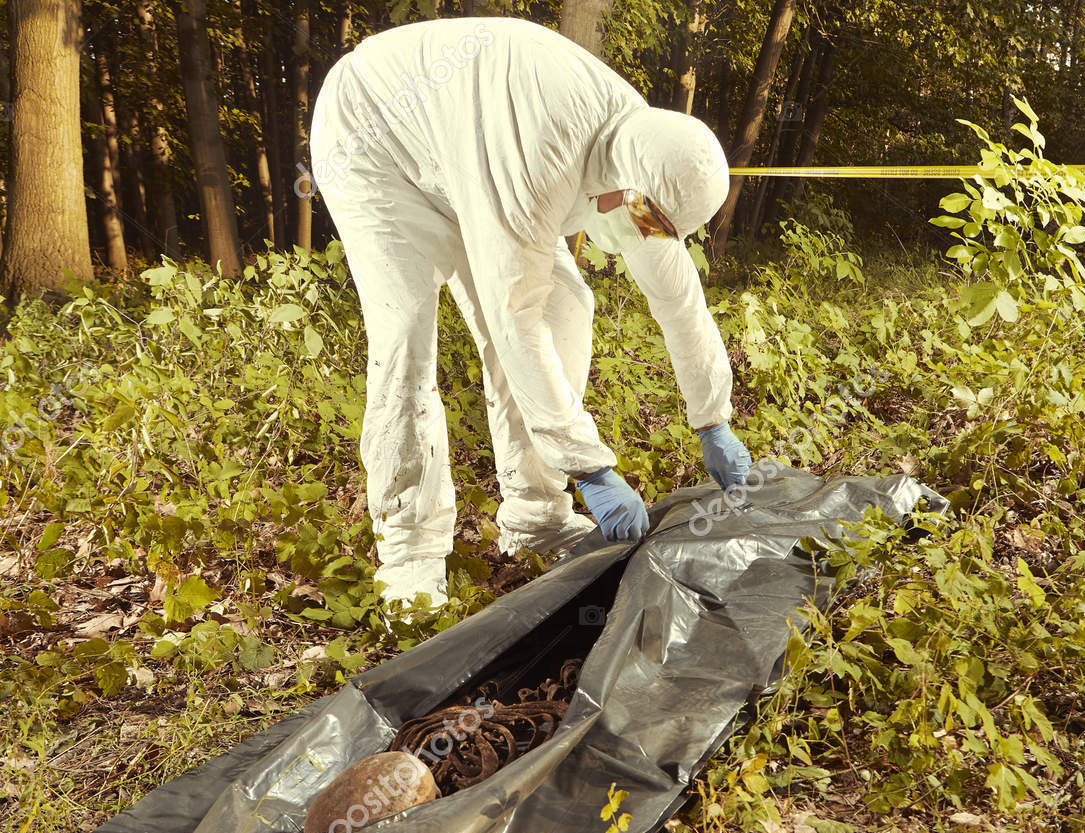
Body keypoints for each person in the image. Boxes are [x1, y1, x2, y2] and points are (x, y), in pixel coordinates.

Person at [309, 16, 753, 610]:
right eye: (648, 219)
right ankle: (410, 552)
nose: (646, 233)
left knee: (567, 305)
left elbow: (678, 299)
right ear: (627, 188)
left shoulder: (645, 150)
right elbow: (511, 313)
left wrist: (713, 418)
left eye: (660, 227)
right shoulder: (543, 152)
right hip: (375, 137)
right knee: (407, 338)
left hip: (468, 145)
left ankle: (535, 513)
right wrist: (591, 466)